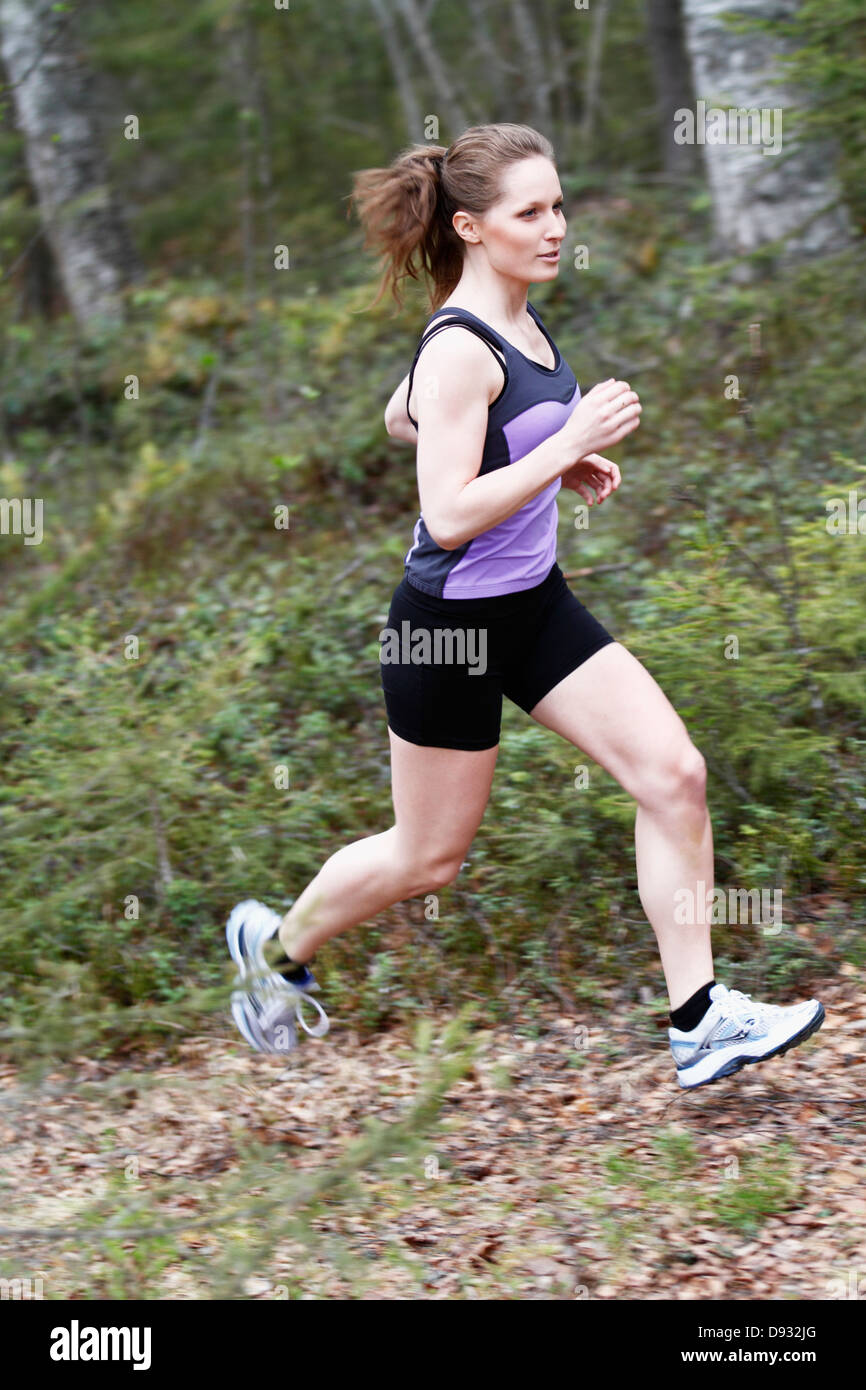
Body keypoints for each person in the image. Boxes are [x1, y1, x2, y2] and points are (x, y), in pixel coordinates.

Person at [226, 123, 823, 1088]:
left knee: (674, 775)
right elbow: (448, 513)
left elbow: (401, 414)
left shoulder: (516, 322)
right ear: (471, 226)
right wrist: (556, 447)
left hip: (533, 609)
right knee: (426, 860)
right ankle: (273, 951)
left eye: (558, 206)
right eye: (530, 212)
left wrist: (544, 458)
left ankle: (701, 1018)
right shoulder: (461, 344)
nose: (555, 228)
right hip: (447, 632)